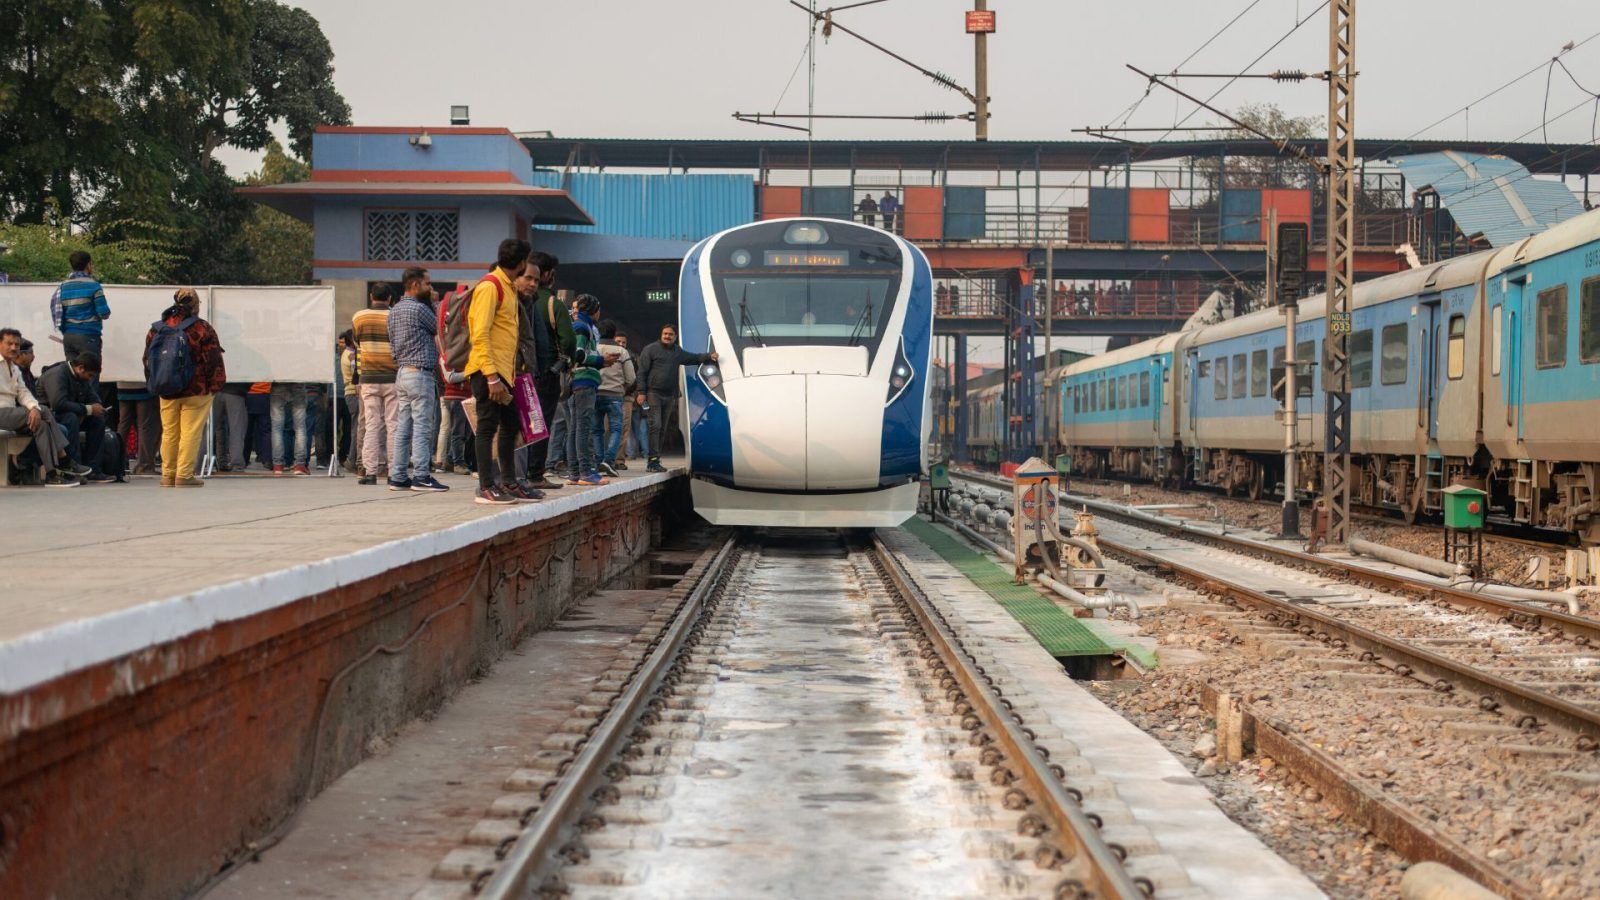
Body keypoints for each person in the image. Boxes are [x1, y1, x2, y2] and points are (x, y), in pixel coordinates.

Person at [466, 239, 530, 505]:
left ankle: (509, 482)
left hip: (504, 371)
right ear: (522, 262)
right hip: (487, 371)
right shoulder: (490, 286)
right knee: (487, 426)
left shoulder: (507, 287)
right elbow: (479, 334)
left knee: (511, 424)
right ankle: (485, 486)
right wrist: (491, 376)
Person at [144, 288, 225, 487]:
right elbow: (213, 359)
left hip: (166, 388)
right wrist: (215, 385)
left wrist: (155, 382)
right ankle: (184, 475)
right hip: (196, 389)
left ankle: (167, 475)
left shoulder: (158, 328)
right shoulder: (201, 328)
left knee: (170, 432)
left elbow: (147, 359)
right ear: (196, 305)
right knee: (190, 432)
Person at [387, 266, 447, 492]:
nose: (430, 288)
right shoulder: (419, 309)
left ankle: (398, 475)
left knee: (403, 428)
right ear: (415, 284)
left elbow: (392, 344)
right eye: (427, 284)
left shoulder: (394, 310)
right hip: (420, 373)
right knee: (423, 427)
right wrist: (433, 303)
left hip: (402, 371)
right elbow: (439, 329)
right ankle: (422, 475)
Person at [0, 327, 79, 486]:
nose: (14, 348)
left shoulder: (14, 368)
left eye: (16, 344)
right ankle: (65, 460)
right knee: (45, 411)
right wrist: (36, 409)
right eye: (9, 344)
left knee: (41, 424)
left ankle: (51, 474)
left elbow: (23, 393)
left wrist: (34, 409)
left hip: (11, 414)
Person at [634, 324, 717, 473]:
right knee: (656, 426)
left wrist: (709, 356)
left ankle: (655, 459)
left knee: (662, 429)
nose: (667, 336)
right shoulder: (650, 350)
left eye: (670, 334)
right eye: (665, 333)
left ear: (675, 337)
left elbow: (693, 358)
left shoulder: (677, 352)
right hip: (653, 394)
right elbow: (642, 372)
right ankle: (652, 461)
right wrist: (641, 392)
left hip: (670, 395)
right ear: (661, 334)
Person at [524, 252, 572, 490]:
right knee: (541, 423)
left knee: (524, 424)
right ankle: (535, 473)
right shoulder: (553, 303)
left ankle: (521, 473)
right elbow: (569, 341)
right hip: (546, 373)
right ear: (547, 274)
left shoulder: (525, 302)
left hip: (525, 372)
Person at [37, 350, 117, 483]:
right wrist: (87, 409)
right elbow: (58, 404)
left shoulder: (81, 377)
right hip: (49, 416)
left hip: (71, 412)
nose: (90, 379)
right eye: (90, 375)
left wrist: (94, 407)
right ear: (80, 368)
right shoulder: (58, 374)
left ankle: (93, 469)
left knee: (97, 420)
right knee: (71, 418)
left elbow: (93, 397)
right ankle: (73, 469)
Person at [566, 294, 620, 485]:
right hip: (584, 381)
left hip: (577, 381)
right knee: (583, 427)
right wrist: (601, 360)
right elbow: (579, 355)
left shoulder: (580, 325)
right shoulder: (582, 327)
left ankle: (573, 472)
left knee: (574, 428)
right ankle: (586, 473)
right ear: (593, 310)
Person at [352, 283, 397, 485]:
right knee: (393, 425)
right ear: (389, 298)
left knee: (371, 425)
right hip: (393, 377)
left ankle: (369, 472)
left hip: (368, 378)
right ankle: (393, 472)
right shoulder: (395, 316)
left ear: (371, 296)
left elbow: (357, 343)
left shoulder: (359, 317)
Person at [51, 250, 111, 366]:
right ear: (88, 265)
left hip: (69, 337)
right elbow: (104, 313)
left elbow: (57, 311)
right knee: (91, 372)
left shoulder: (63, 287)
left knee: (72, 373)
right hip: (88, 336)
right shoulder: (94, 286)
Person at [592, 320, 634, 478]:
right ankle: (609, 461)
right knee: (617, 429)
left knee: (597, 430)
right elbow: (631, 378)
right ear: (614, 334)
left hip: (594, 393)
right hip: (615, 395)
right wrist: (623, 389)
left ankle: (598, 461)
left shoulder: (593, 349)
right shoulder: (621, 352)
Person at [268, 380, 310, 475]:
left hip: (277, 385)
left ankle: (277, 465)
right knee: (300, 427)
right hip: (297, 383)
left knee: (277, 428)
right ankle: (299, 465)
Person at [338, 330, 361, 472]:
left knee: (356, 426)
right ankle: (352, 459)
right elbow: (356, 374)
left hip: (350, 393)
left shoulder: (348, 353)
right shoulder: (351, 356)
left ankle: (353, 459)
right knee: (356, 427)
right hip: (353, 393)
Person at [214, 382, 248, 472]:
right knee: (236, 430)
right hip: (236, 391)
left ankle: (200, 463)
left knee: (212, 430)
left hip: (215, 391)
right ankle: (237, 464)